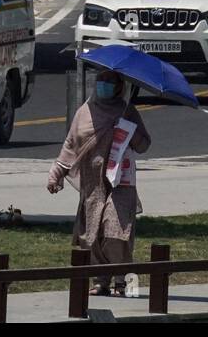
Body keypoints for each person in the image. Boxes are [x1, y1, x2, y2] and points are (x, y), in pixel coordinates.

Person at [46, 69, 152, 295]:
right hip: (93, 185)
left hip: (120, 184)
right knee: (93, 235)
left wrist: (127, 130)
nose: (103, 84)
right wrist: (56, 174)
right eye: (100, 80)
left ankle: (124, 282)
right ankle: (101, 281)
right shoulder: (84, 112)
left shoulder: (127, 111)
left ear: (119, 86)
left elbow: (144, 145)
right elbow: (70, 145)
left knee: (115, 233)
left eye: (109, 81)